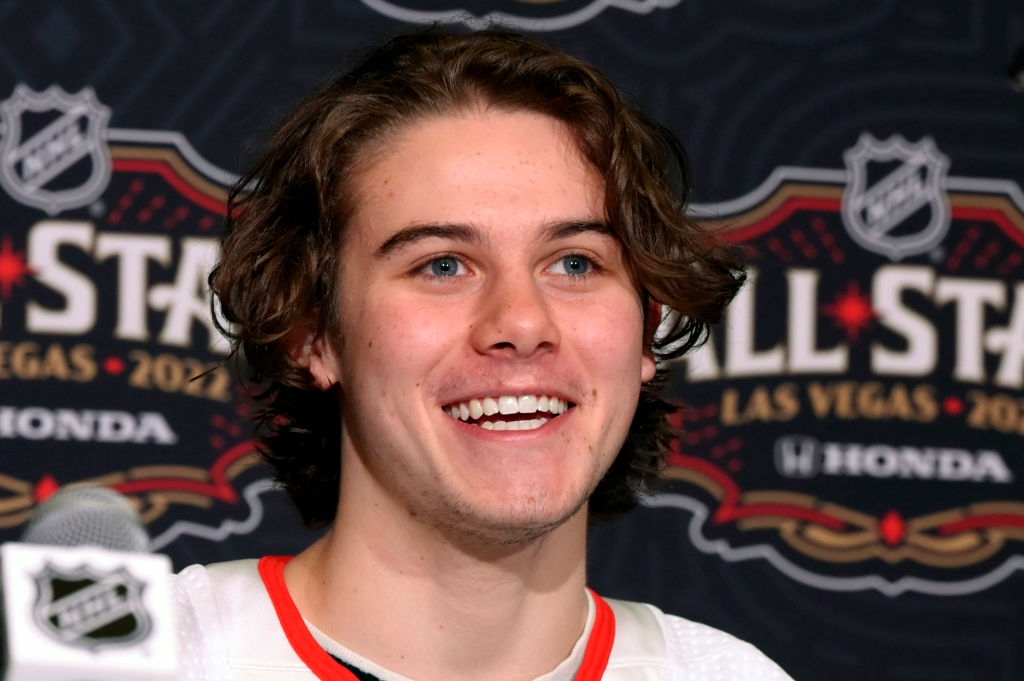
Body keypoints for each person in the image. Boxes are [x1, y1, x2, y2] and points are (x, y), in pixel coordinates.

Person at [173, 27, 794, 681]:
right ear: (313, 333)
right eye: (443, 264)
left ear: (647, 326)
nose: (522, 321)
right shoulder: (144, 659)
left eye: (576, 262)